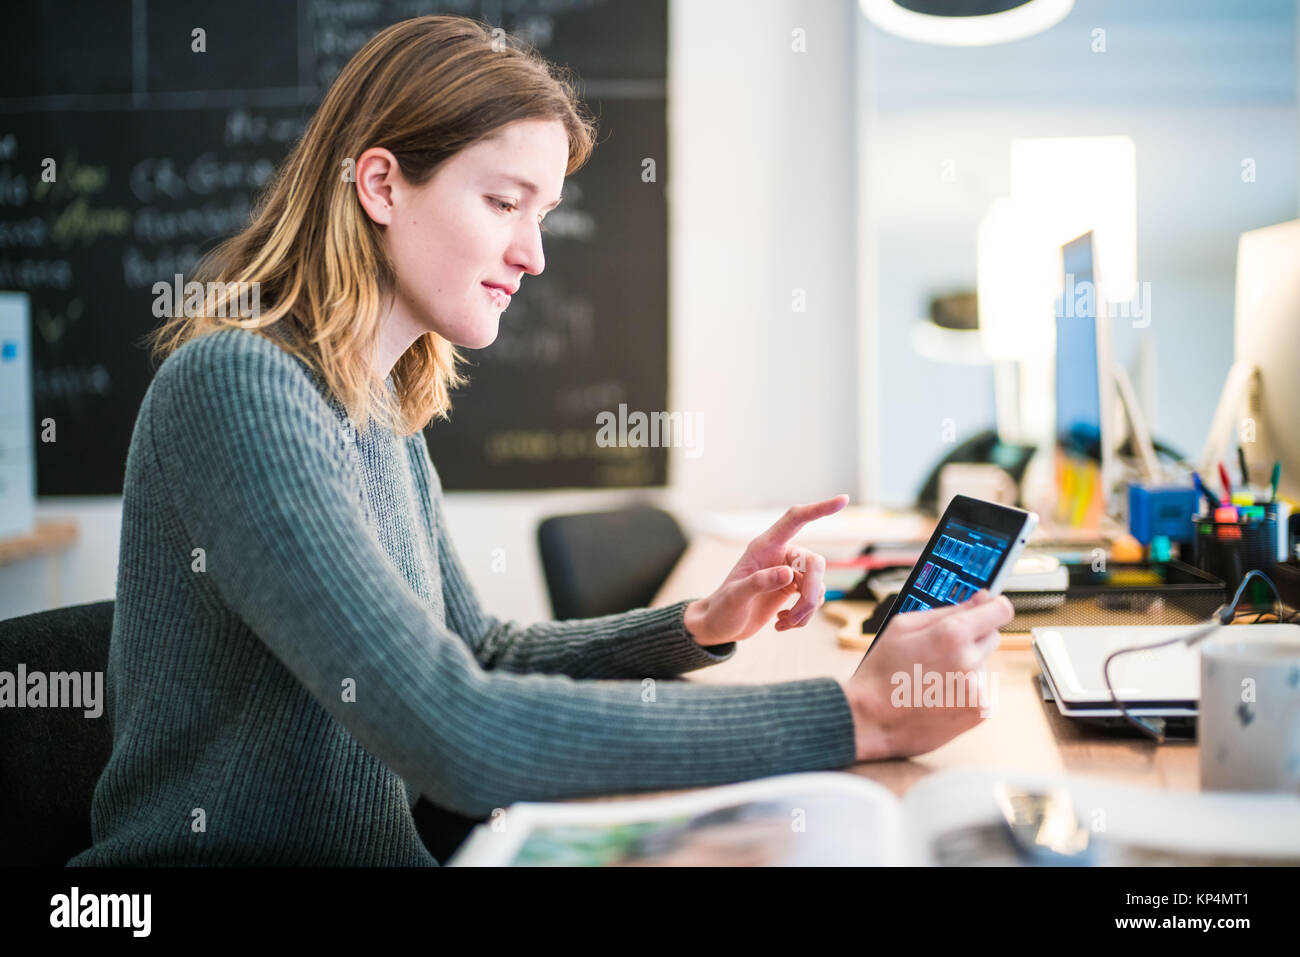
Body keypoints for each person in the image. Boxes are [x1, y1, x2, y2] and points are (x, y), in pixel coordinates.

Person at [68, 14, 1012, 867]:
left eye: (544, 213)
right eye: (504, 202)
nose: (534, 253)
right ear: (382, 183)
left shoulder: (378, 408)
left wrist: (694, 625)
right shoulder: (239, 387)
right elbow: (454, 729)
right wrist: (854, 714)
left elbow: (479, 651)